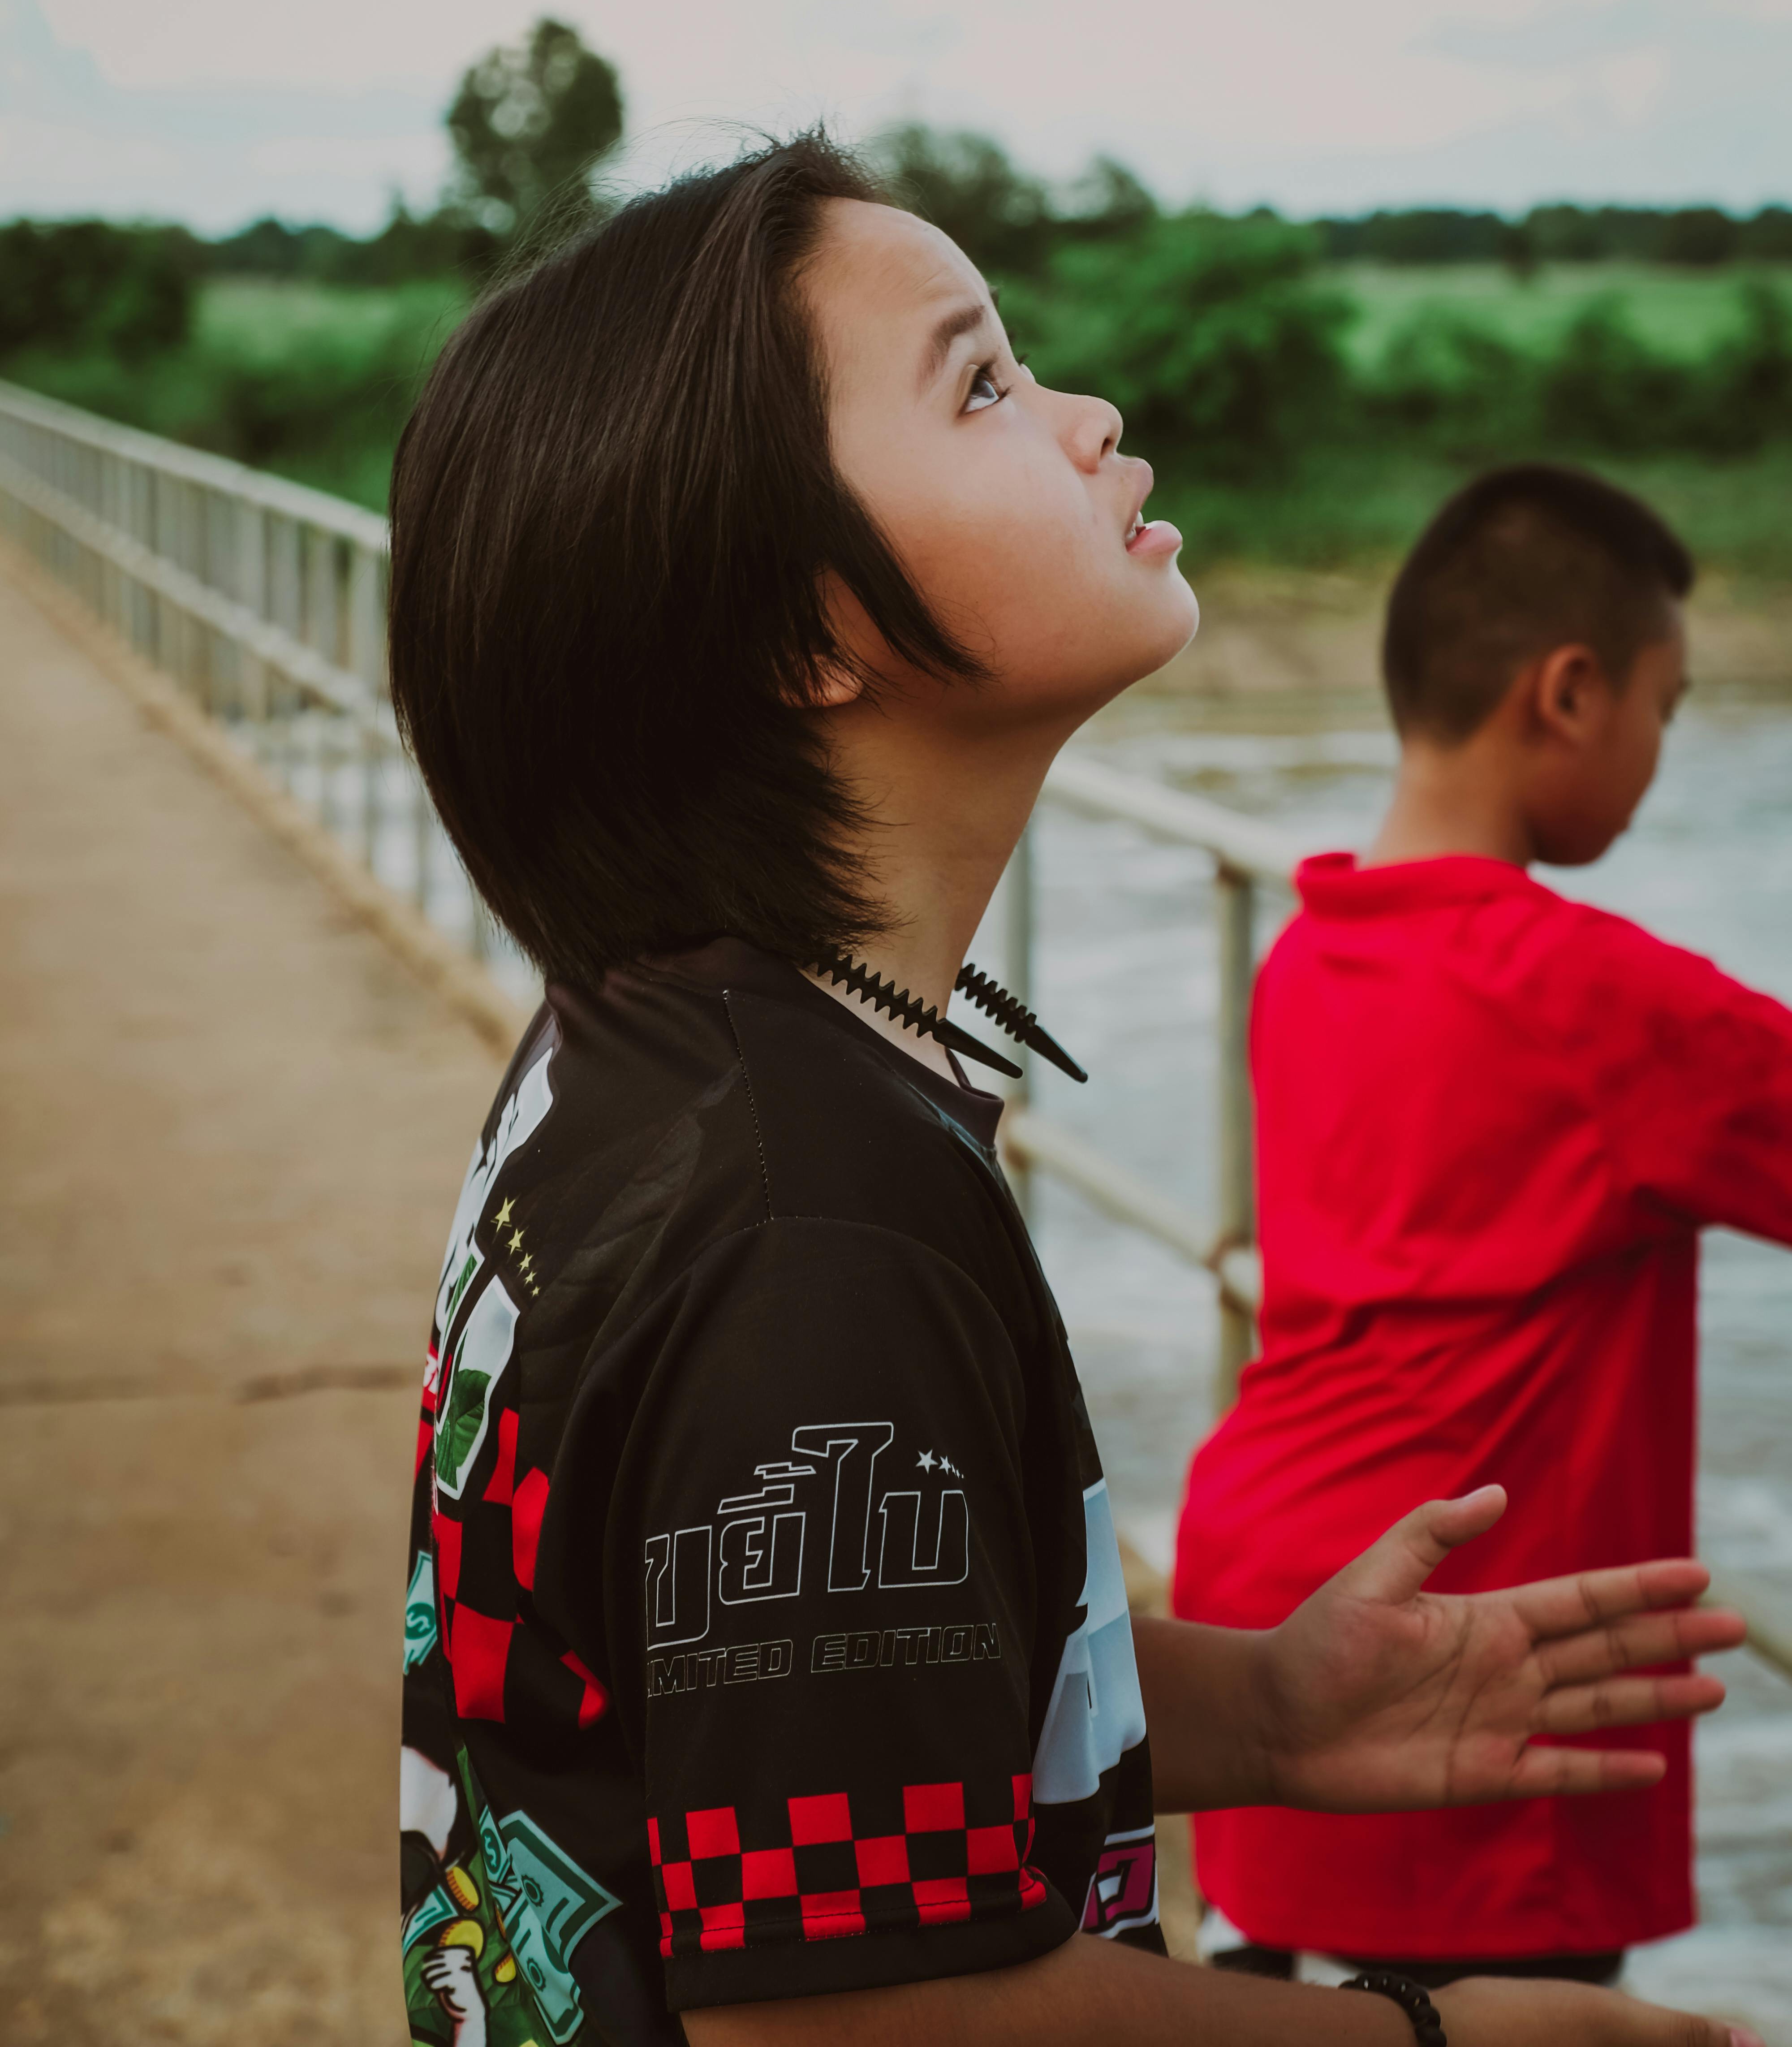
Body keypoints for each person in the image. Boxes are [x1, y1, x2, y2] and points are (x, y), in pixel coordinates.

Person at [388, 148, 1753, 2047]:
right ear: (800, 634)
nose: (1089, 415)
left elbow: (788, 1749)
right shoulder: (814, 1223)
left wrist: (1269, 1709)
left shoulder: (651, 1046)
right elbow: (856, 2022)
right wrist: (1454, 2037)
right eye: (982, 384)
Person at [1175, 462, 1792, 1996]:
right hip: (1466, 1651)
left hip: (1267, 1606)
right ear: (1570, 694)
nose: (1664, 746)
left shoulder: (1314, 947)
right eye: (1668, 701)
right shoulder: (1601, 1003)